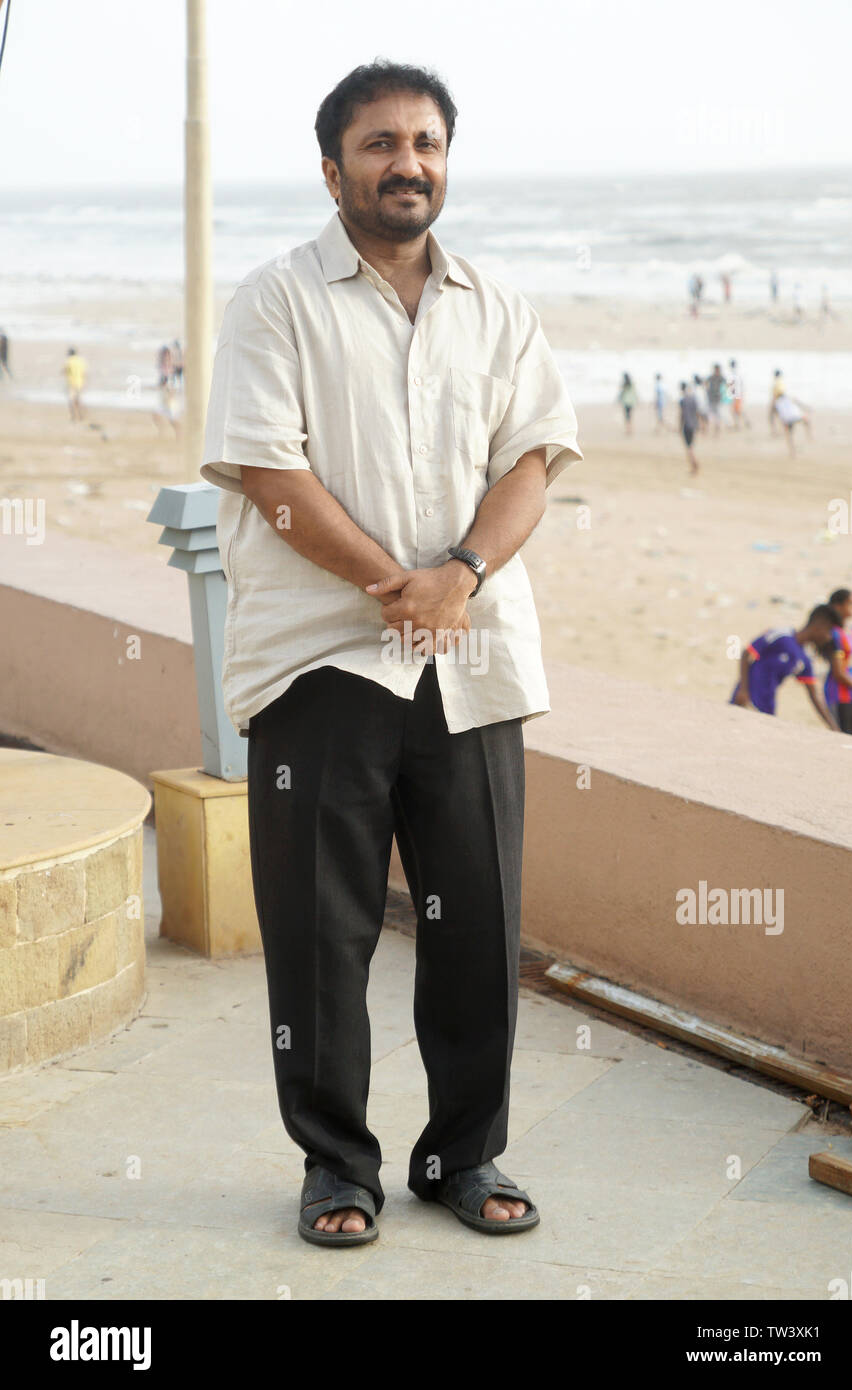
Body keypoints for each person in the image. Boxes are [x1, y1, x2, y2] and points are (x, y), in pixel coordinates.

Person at [200, 60, 583, 1246]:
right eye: (378, 144)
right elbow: (269, 473)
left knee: (478, 924)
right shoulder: (274, 301)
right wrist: (393, 587)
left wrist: (455, 577)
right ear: (333, 169)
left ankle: (464, 1155)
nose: (405, 162)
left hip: (471, 661)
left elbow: (533, 462)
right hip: (321, 663)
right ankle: (335, 1165)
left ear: (444, 160)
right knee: (323, 933)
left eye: (423, 141)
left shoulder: (497, 306)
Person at [729, 606, 838, 728]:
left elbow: (814, 695)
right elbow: (747, 654)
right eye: (829, 631)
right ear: (819, 625)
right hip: (746, 698)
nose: (829, 637)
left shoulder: (804, 660)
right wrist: (743, 690)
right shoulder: (781, 636)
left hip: (766, 707)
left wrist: (832, 726)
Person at [823, 589, 852, 736]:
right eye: (851, 603)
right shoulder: (834, 634)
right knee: (844, 738)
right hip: (839, 695)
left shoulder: (847, 632)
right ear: (838, 606)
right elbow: (839, 672)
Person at [773, 391, 811, 456]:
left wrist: (781, 425)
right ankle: (809, 436)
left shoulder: (776, 403)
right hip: (796, 416)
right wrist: (807, 408)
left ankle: (792, 452)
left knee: (789, 436)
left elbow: (777, 415)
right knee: (807, 421)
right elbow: (799, 403)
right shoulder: (789, 398)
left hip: (787, 419)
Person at [678, 380, 699, 475]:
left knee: (689, 448)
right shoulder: (693, 399)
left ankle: (694, 465)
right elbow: (697, 413)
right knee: (690, 447)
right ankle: (694, 465)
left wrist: (679, 427)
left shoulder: (682, 400)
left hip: (687, 425)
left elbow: (682, 415)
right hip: (693, 425)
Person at [63, 347, 87, 421]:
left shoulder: (69, 361)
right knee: (78, 400)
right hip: (80, 383)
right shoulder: (81, 361)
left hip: (71, 383)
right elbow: (84, 373)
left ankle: (73, 416)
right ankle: (80, 415)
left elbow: (64, 371)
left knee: (71, 400)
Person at [727, 357, 748, 430]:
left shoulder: (733, 373)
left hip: (735, 395)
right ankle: (742, 423)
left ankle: (739, 424)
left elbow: (732, 384)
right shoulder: (736, 373)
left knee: (736, 411)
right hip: (737, 394)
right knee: (737, 410)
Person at [706, 363, 726, 435]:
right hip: (711, 398)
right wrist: (707, 391)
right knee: (709, 415)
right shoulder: (711, 377)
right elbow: (705, 382)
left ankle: (716, 430)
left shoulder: (721, 377)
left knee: (717, 415)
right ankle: (708, 429)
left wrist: (723, 394)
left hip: (717, 399)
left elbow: (727, 384)